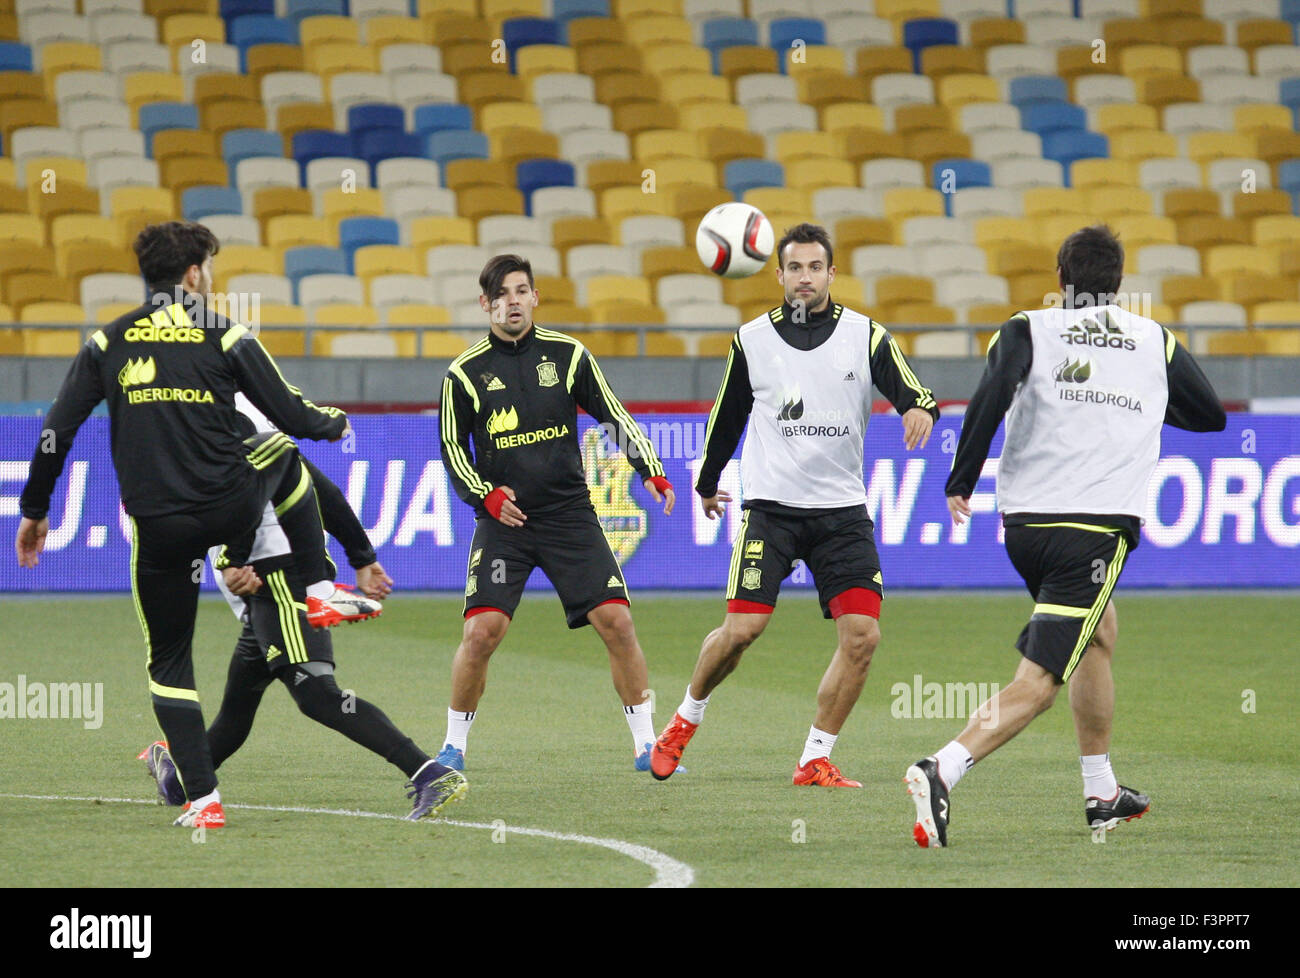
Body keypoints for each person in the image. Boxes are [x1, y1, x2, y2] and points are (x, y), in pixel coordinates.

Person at [14, 221, 421, 828]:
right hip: (230, 505)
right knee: (280, 455)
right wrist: (333, 422)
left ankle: (203, 801)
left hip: (160, 526)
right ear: (193, 274)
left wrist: (35, 510)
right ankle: (318, 589)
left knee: (170, 662)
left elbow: (56, 430)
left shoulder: (107, 343)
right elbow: (290, 414)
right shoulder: (224, 333)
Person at [905, 225, 1226, 847]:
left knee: (1099, 633)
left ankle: (1101, 790)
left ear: (1061, 279)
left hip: (1026, 526)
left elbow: (992, 393)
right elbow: (1210, 415)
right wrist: (1141, 396)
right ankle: (941, 769)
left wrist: (961, 478)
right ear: (1119, 283)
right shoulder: (1151, 339)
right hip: (1092, 533)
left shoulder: (1028, 326)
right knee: (1040, 683)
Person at [650, 222, 940, 786]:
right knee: (741, 632)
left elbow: (909, 387)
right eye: (794, 268)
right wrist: (707, 483)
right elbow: (726, 419)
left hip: (841, 512)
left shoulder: (866, 335)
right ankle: (683, 722)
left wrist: (919, 408)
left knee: (863, 637)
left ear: (831, 273)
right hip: (772, 509)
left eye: (815, 267)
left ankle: (815, 757)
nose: (804, 277)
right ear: (778, 274)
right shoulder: (752, 340)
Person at [140, 393, 467, 821]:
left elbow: (239, 499)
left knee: (317, 695)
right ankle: (180, 779)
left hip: (277, 578)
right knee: (237, 710)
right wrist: (362, 555)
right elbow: (323, 492)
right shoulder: (241, 425)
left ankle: (429, 773)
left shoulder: (207, 424)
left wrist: (235, 557)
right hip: (265, 583)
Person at [437, 253, 677, 772]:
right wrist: (487, 495)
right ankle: (453, 747)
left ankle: (646, 746)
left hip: (569, 516)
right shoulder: (464, 374)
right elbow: (453, 452)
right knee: (482, 633)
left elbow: (613, 414)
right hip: (505, 525)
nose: (512, 302)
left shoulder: (568, 355)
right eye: (501, 295)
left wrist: (649, 468)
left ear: (535, 297)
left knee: (617, 622)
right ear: (485, 305)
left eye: (521, 290)